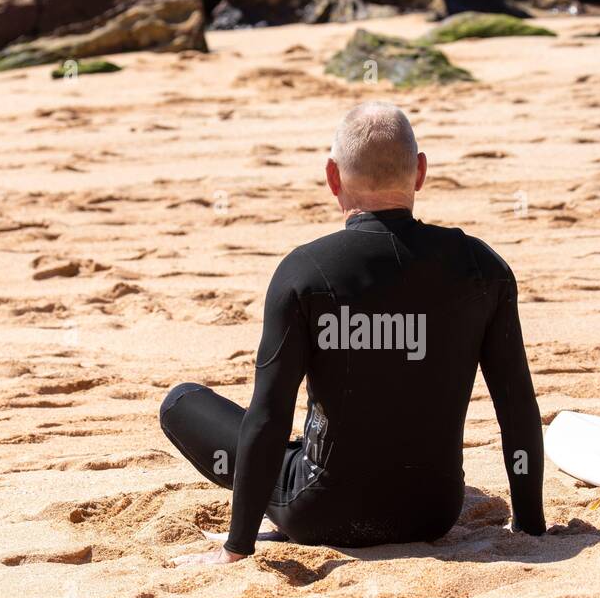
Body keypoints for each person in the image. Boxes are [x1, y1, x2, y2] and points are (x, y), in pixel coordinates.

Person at [160, 101, 545, 565]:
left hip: (318, 512)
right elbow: (517, 405)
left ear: (332, 178)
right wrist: (529, 524)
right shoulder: (484, 268)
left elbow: (268, 416)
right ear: (419, 172)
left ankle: (291, 478)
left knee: (182, 402)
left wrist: (236, 546)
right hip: (432, 512)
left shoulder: (303, 272)